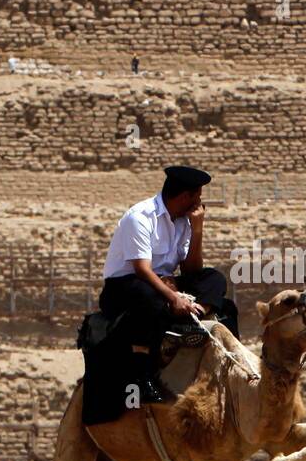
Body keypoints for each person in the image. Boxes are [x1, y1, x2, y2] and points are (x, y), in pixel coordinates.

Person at [98, 165, 238, 403]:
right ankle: (144, 377)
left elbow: (191, 270)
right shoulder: (140, 216)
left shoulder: (182, 222)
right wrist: (174, 298)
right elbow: (141, 269)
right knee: (148, 298)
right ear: (186, 197)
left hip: (165, 284)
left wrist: (197, 230)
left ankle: (194, 320)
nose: (200, 204)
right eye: (198, 197)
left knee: (215, 279)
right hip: (126, 286)